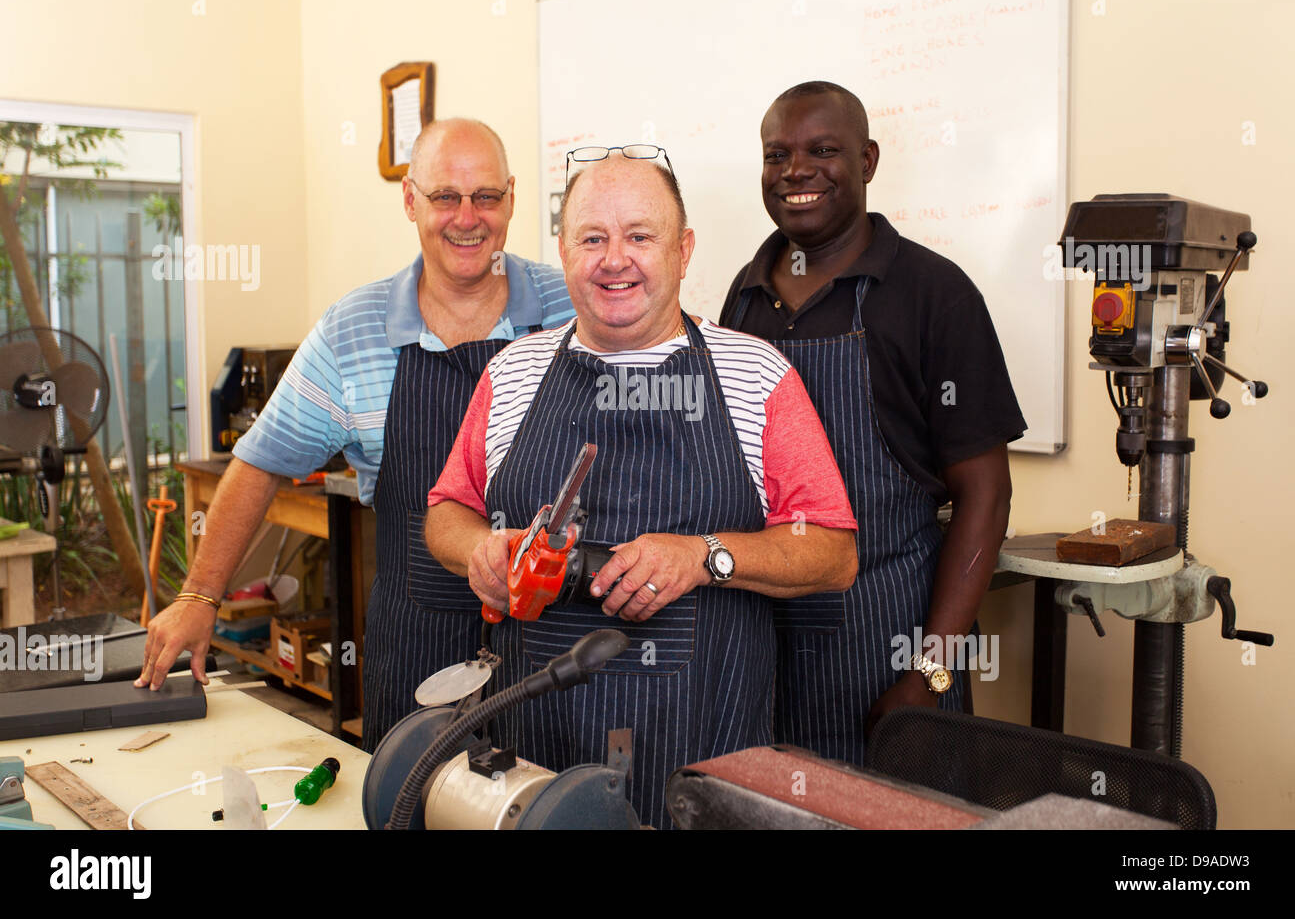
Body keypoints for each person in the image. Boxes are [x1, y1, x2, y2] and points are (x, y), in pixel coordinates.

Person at [425, 149, 858, 828]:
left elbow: (833, 552)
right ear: (563, 252)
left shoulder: (755, 374)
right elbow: (447, 510)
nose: (614, 259)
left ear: (683, 251)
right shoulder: (512, 372)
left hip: (702, 748)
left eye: (639, 236)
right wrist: (478, 550)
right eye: (592, 238)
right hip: (530, 753)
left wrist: (704, 556)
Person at [135, 119, 574, 752]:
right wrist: (199, 596)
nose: (467, 217)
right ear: (410, 200)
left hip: (556, 648)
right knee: (411, 797)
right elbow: (260, 463)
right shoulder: (354, 331)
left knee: (552, 799)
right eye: (445, 197)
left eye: (485, 196)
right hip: (417, 653)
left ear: (511, 197)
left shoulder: (573, 308)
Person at [720, 81, 1026, 766]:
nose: (796, 171)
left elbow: (986, 496)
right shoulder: (744, 296)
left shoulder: (934, 293)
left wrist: (930, 673)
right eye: (777, 155)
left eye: (822, 151)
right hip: (760, 650)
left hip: (890, 650)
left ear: (868, 160)